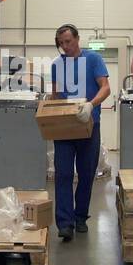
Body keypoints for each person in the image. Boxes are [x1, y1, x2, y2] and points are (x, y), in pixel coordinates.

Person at [49, 24, 110, 241]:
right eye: (61, 43)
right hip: (65, 127)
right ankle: (65, 224)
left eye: (68, 41)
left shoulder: (93, 60)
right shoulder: (57, 65)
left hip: (89, 125)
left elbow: (105, 87)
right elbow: (56, 95)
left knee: (86, 174)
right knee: (63, 174)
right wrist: (50, 110)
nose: (65, 46)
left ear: (77, 39)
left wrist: (91, 105)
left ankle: (81, 217)